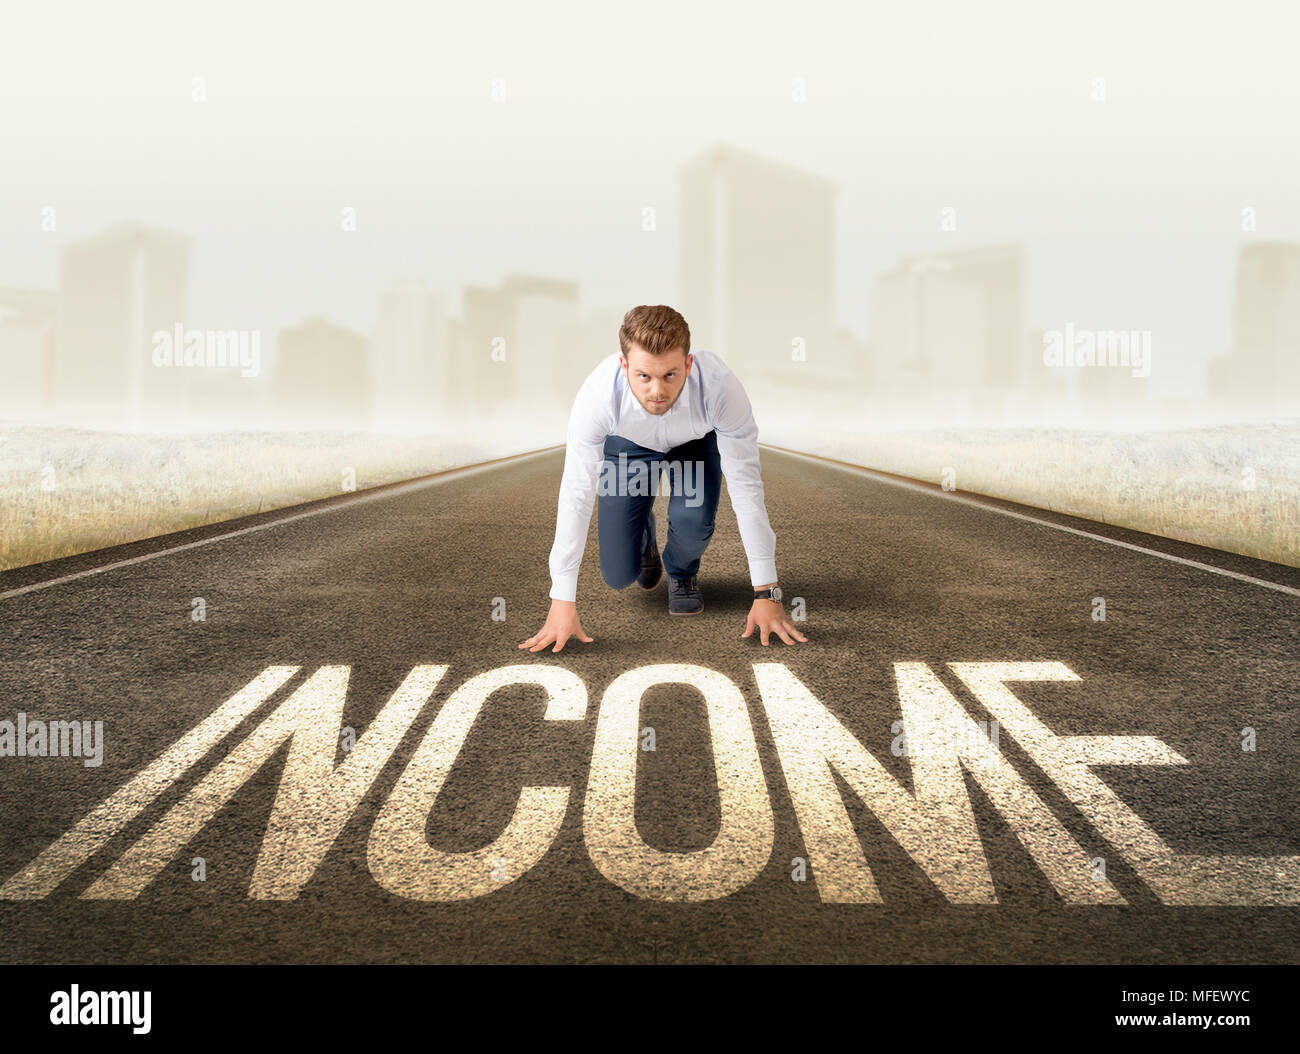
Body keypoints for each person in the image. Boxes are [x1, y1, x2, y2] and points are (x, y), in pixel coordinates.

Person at [519, 304, 808, 653]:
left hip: (694, 445)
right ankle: (643, 535)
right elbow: (577, 493)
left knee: (694, 519)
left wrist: (767, 592)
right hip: (628, 449)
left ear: (688, 364)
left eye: (670, 375)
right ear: (624, 366)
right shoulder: (598, 397)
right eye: (644, 376)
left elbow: (747, 486)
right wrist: (561, 599)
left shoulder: (720, 388)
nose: (657, 391)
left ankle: (682, 573)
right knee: (618, 574)